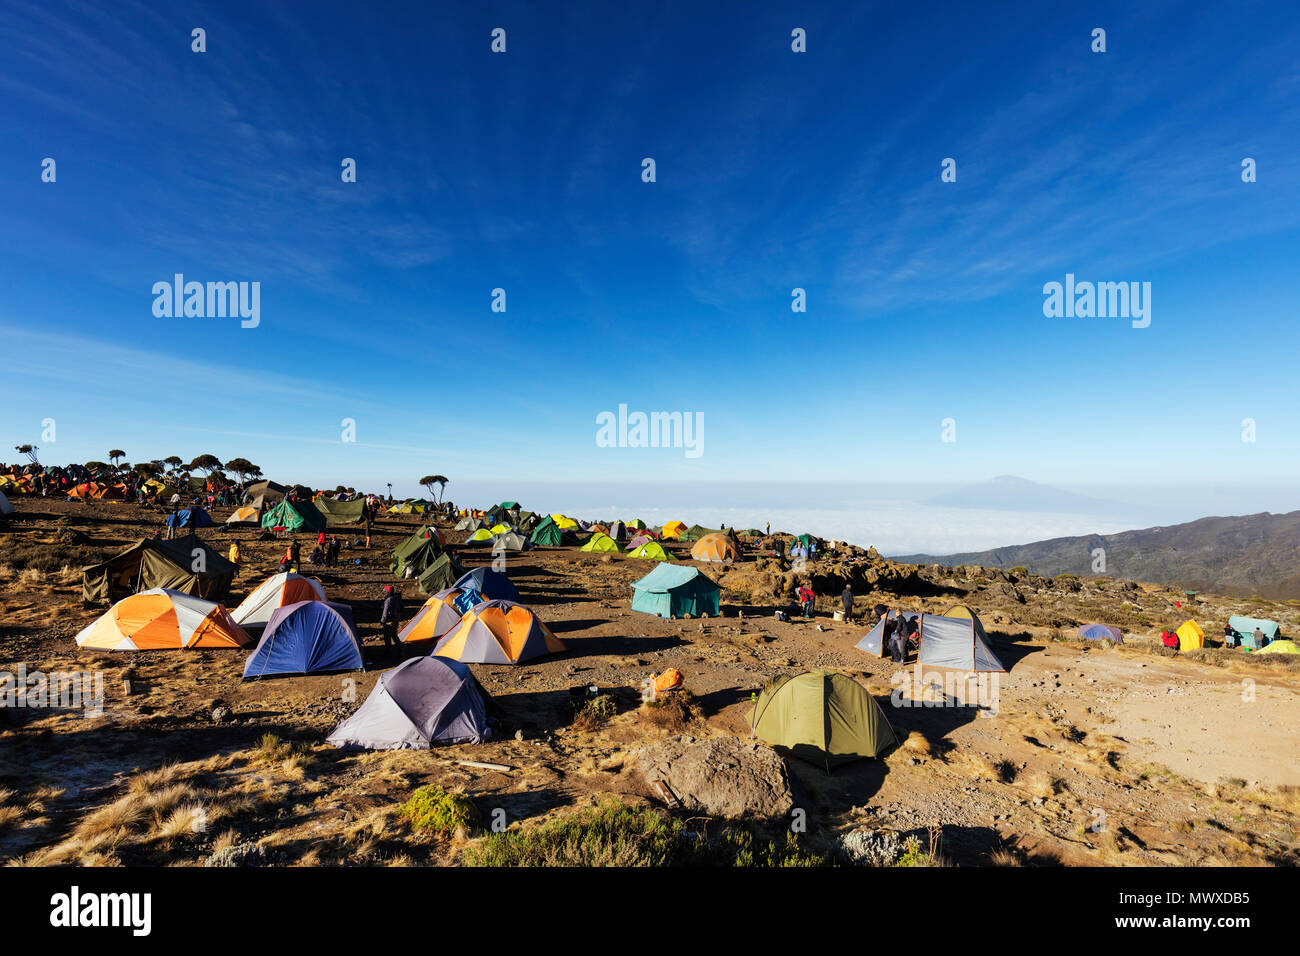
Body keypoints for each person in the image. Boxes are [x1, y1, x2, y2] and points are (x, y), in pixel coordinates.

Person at [380, 585, 403, 650]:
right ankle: (400, 650)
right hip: (396, 619)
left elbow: (385, 613)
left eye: (385, 591)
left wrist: (382, 621)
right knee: (394, 635)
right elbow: (402, 607)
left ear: (388, 592)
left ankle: (388, 651)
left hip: (389, 621)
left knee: (387, 637)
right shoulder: (398, 598)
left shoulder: (388, 600)